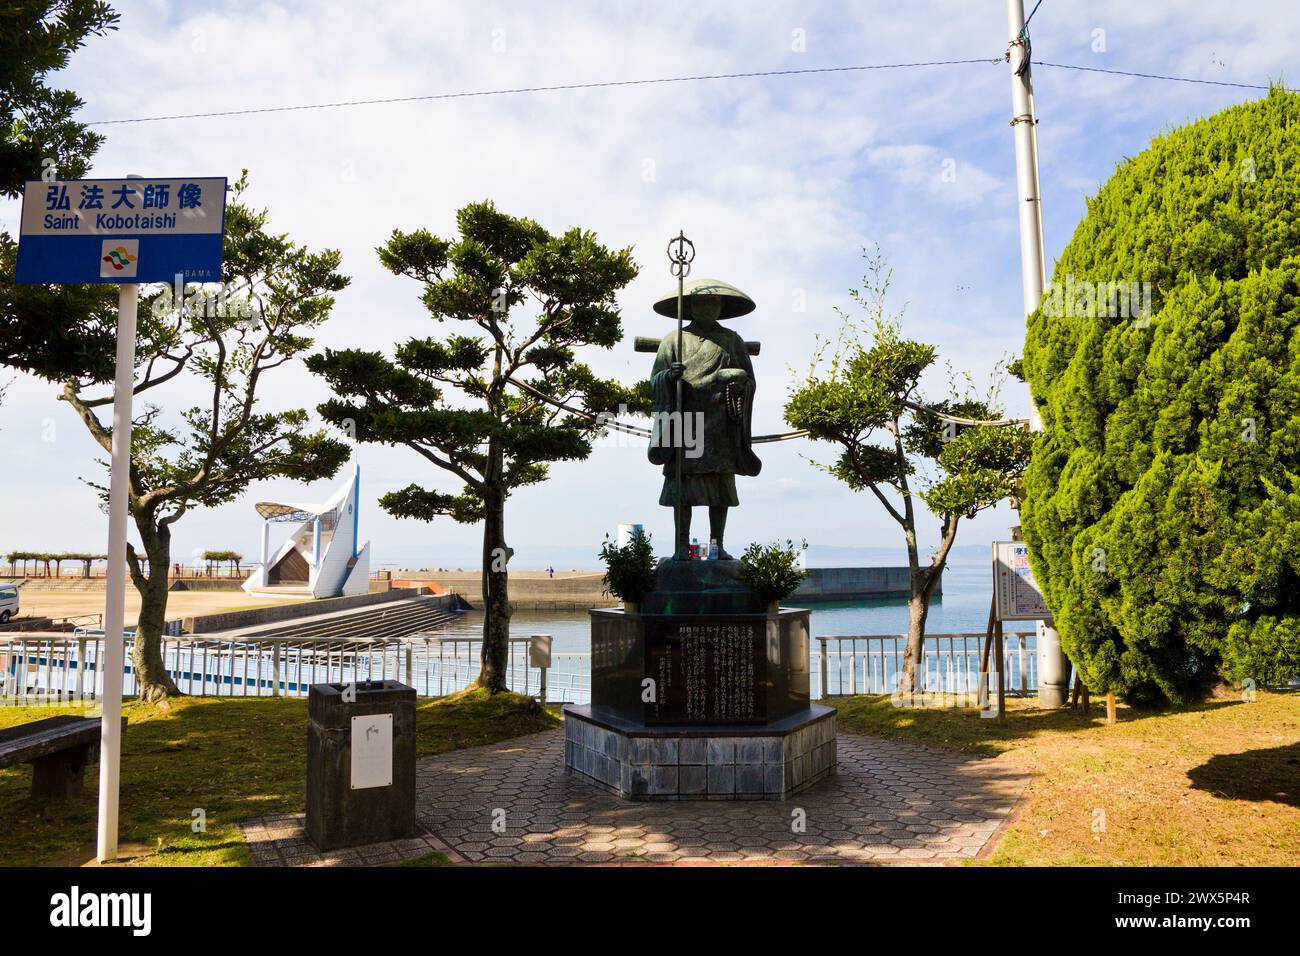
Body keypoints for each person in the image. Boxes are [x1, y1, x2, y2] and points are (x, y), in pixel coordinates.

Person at [648, 280, 761, 560]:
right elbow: (654, 381)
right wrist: (668, 377)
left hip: (720, 422)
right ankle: (680, 547)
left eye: (713, 303)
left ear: (721, 307)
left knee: (720, 489)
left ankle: (716, 545)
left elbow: (749, 380)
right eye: (701, 303)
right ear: (689, 307)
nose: (708, 308)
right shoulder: (673, 339)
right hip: (685, 422)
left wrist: (739, 383)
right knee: (682, 488)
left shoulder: (732, 340)